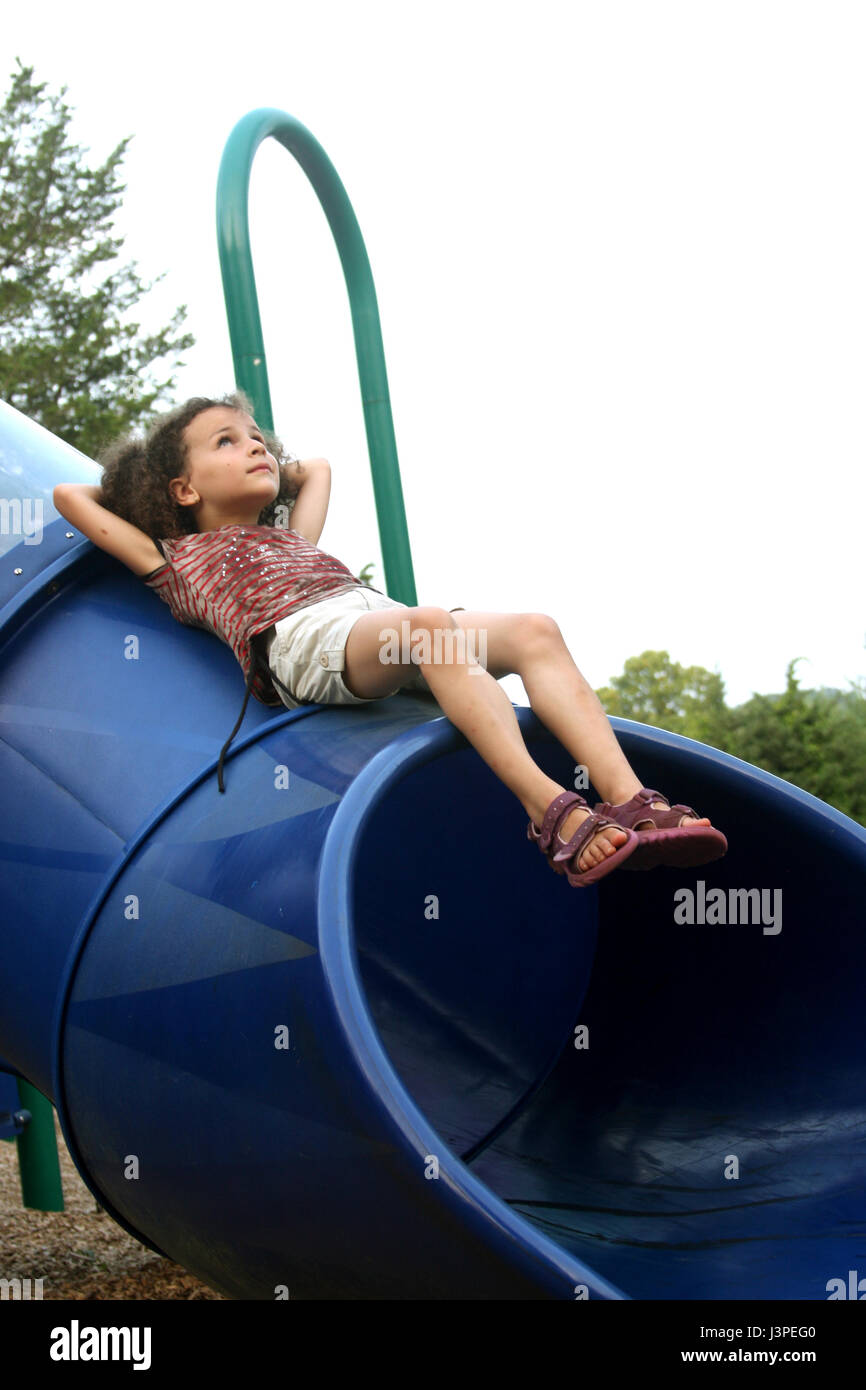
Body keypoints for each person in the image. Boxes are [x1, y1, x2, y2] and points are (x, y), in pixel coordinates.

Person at [52, 391, 727, 886]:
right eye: (226, 442)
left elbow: (316, 467)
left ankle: (633, 801)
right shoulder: (176, 561)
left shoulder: (290, 539)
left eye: (257, 436)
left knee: (534, 631)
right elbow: (69, 497)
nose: (256, 446)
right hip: (302, 643)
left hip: (376, 620)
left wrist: (261, 468)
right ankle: (548, 808)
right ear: (182, 487)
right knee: (431, 624)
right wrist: (150, 492)